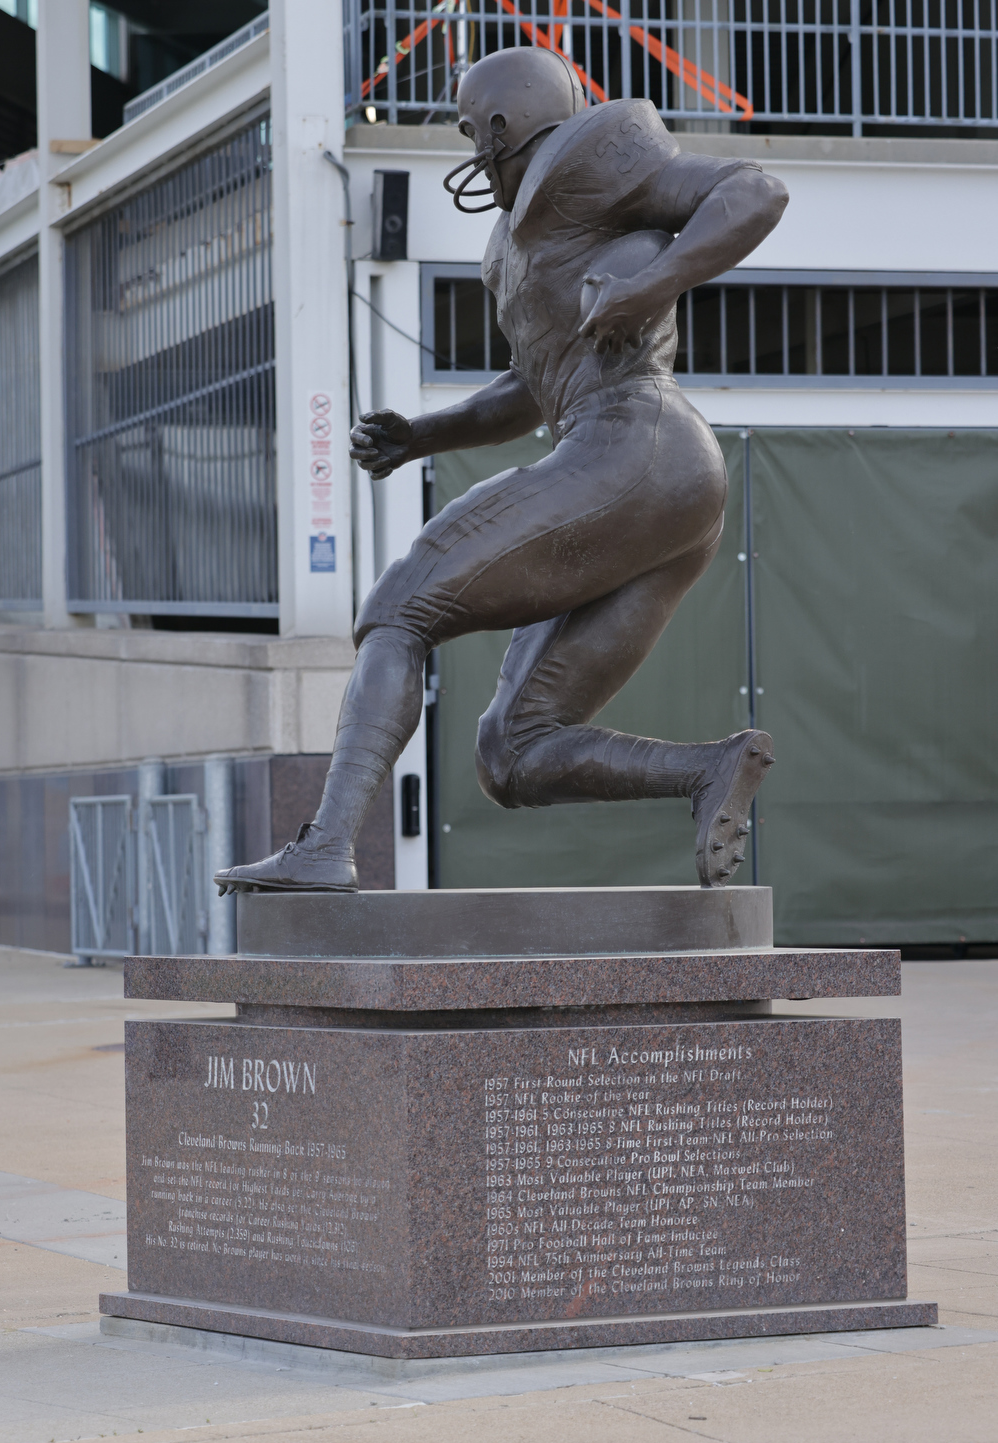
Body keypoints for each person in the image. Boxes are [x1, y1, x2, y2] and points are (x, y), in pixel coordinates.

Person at [216, 47, 787, 897]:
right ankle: (708, 770)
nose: (467, 150)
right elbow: (531, 387)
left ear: (497, 126)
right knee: (511, 753)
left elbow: (755, 190)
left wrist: (653, 284)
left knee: (398, 609)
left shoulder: (596, 164)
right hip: (661, 478)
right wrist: (421, 435)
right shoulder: (526, 240)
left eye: (466, 130)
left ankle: (327, 844)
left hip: (633, 443)